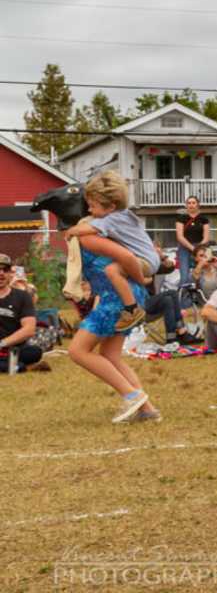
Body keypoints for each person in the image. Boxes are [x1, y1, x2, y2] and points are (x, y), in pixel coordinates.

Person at [64, 177, 159, 423]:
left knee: (77, 351)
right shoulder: (100, 226)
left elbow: (126, 256)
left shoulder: (89, 234)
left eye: (93, 205)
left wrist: (142, 280)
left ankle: (132, 396)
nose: (90, 210)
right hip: (120, 294)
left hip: (118, 298)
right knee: (110, 354)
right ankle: (146, 409)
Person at [61, 170, 163, 332]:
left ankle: (132, 309)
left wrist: (71, 230)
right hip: (149, 257)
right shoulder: (123, 214)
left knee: (112, 270)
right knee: (115, 268)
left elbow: (87, 229)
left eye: (93, 206)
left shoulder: (112, 219)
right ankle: (140, 284)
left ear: (111, 206)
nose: (89, 210)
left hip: (145, 260)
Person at [0, 254, 45, 375]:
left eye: (5, 270)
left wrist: (2, 343)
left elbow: (29, 329)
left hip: (12, 347)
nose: (1, 273)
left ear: (10, 273)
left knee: (35, 352)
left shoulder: (22, 296)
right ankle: (16, 367)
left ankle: (10, 365)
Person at [175, 195, 210, 288]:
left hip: (200, 248)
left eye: (193, 203)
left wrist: (199, 249)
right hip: (184, 248)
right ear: (186, 205)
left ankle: (200, 299)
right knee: (184, 277)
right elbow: (180, 237)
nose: (191, 205)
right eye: (189, 203)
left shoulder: (204, 219)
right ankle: (183, 300)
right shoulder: (181, 218)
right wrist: (192, 248)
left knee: (200, 276)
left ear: (198, 205)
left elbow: (206, 237)